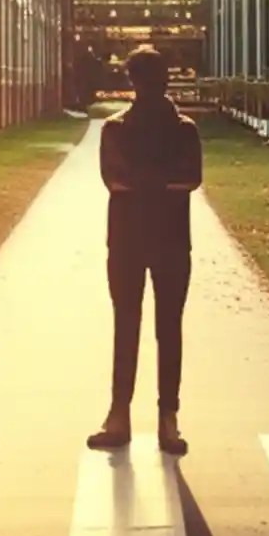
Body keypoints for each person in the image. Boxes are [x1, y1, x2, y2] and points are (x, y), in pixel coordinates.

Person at [87, 46, 202, 456]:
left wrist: (144, 183)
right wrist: (160, 183)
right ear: (134, 82)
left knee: (163, 327)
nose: (152, 86)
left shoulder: (179, 130)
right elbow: (116, 180)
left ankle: (162, 416)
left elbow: (189, 178)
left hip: (153, 237)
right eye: (146, 79)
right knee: (132, 324)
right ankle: (125, 414)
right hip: (137, 239)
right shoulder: (118, 129)